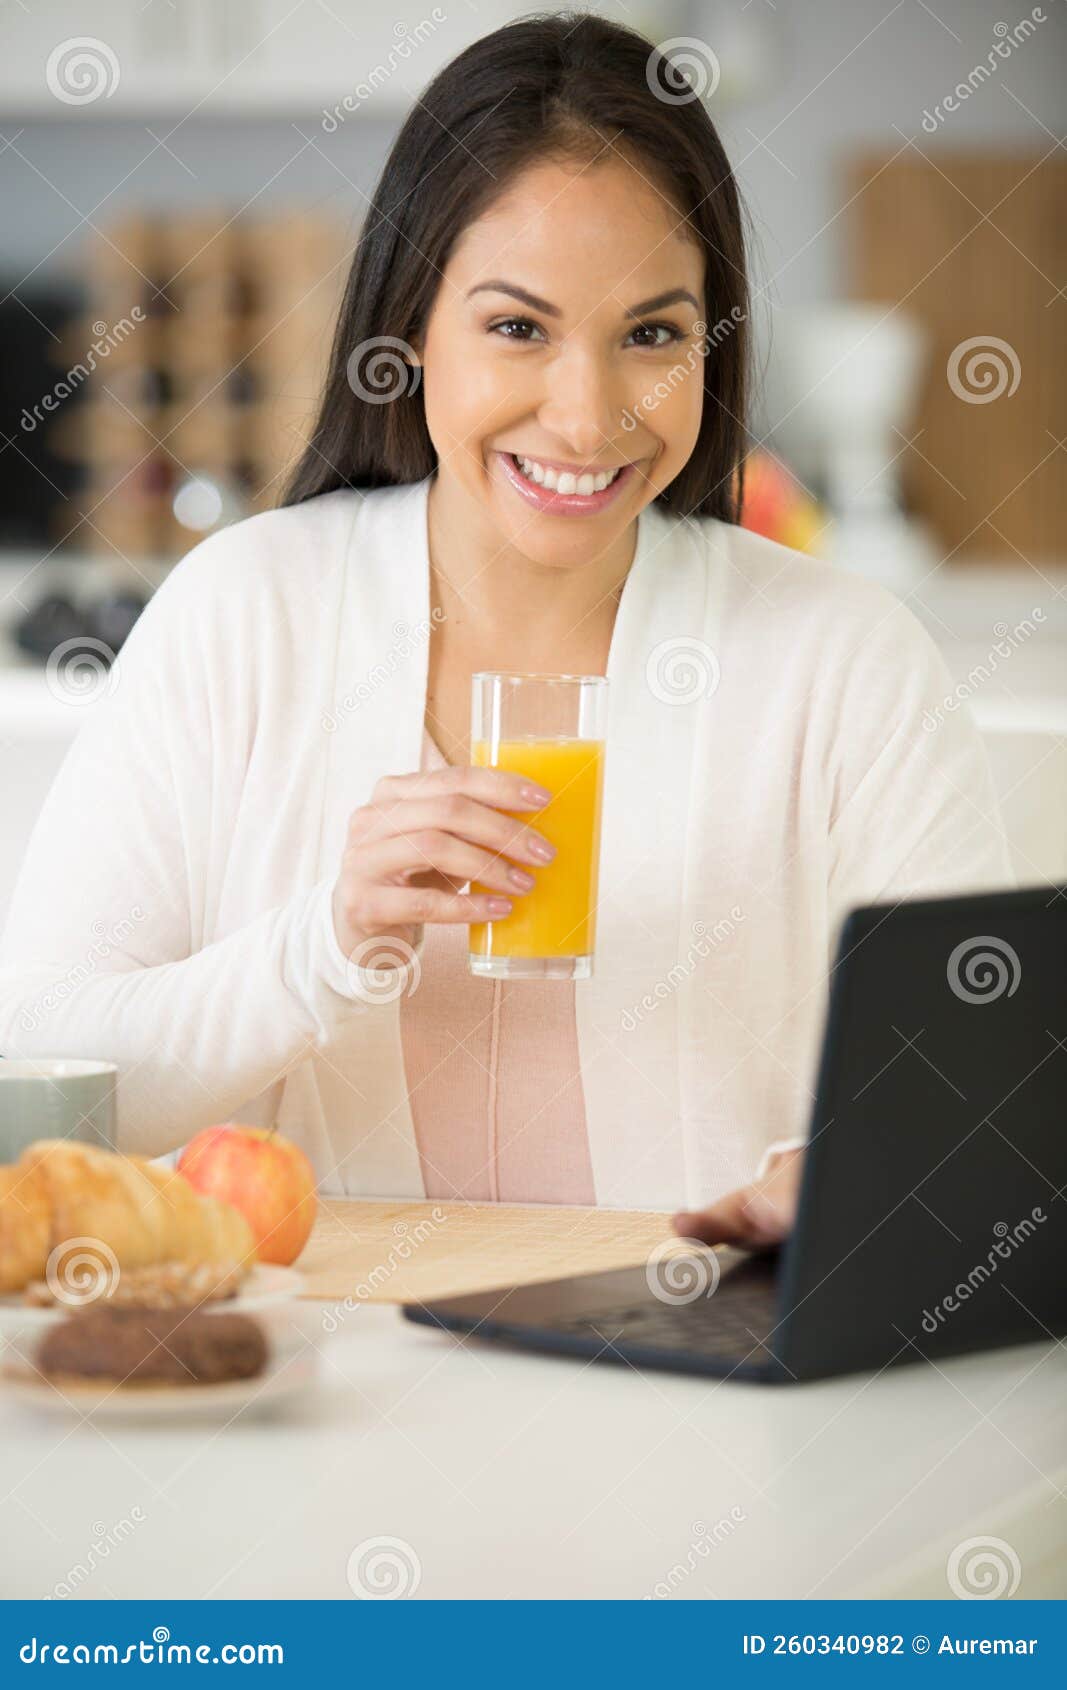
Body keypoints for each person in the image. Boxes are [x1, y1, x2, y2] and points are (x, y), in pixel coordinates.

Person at [0, 14, 1012, 1233]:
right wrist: (322, 942)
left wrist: (845, 1183)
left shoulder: (843, 663)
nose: (585, 421)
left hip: (695, 1388)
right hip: (323, 1389)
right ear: (410, 328)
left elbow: (980, 1118)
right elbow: (42, 1082)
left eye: (651, 333)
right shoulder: (244, 613)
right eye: (516, 327)